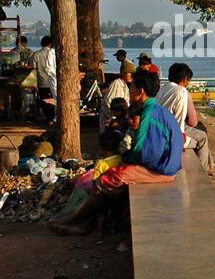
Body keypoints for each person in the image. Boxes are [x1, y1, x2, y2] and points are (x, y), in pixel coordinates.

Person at [51, 69, 183, 235]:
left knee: (106, 181)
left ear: (140, 91)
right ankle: (86, 221)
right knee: (112, 180)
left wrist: (127, 158)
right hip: (165, 167)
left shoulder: (149, 113)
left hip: (159, 170)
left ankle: (80, 222)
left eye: (132, 86)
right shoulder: (159, 110)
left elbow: (146, 152)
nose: (130, 89)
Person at [156, 62, 212, 171]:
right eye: (189, 81)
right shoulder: (181, 91)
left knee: (199, 136)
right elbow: (191, 122)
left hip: (160, 128)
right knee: (202, 138)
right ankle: (203, 171)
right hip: (172, 134)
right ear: (185, 79)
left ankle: (208, 167)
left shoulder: (162, 89)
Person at [99, 55, 133, 132]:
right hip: (110, 121)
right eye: (129, 73)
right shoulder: (117, 84)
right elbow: (108, 101)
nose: (131, 76)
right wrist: (114, 117)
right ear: (124, 73)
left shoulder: (126, 87)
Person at [32, 35, 57, 124]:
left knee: (45, 101)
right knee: (54, 100)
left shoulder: (36, 54)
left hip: (42, 82)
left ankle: (49, 119)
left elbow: (34, 70)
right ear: (50, 43)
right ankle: (54, 118)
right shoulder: (54, 53)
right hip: (54, 81)